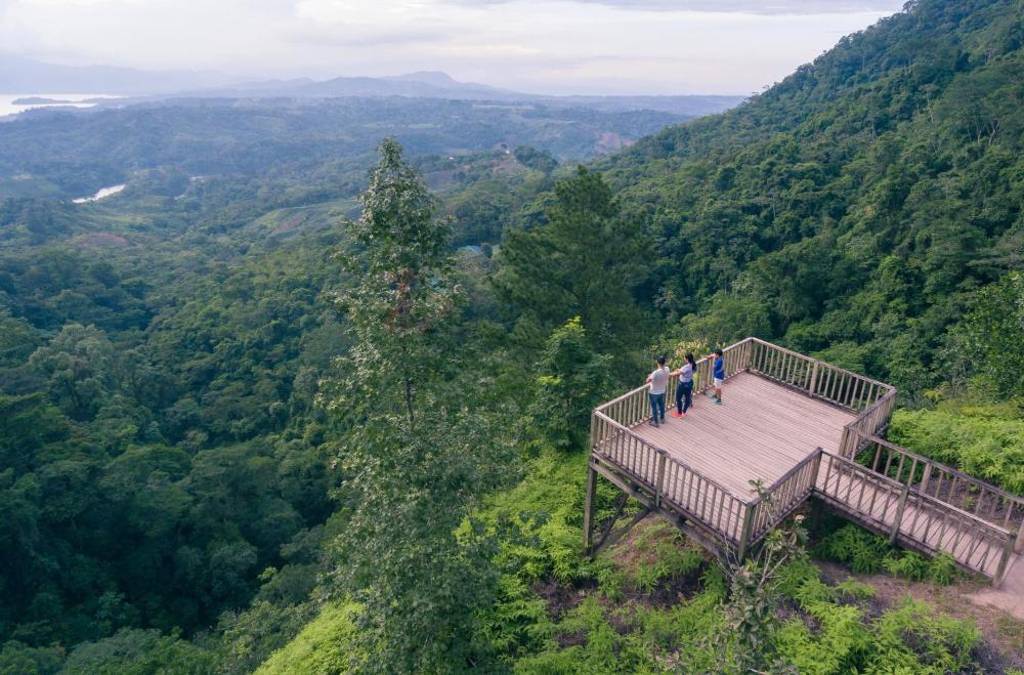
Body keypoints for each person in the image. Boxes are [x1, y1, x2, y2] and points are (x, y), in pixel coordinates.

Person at [646, 355, 669, 426]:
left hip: (653, 392)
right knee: (661, 405)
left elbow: (647, 380)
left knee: (654, 408)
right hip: (662, 390)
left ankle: (656, 422)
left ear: (657, 363)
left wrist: (649, 376)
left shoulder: (655, 372)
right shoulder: (667, 369)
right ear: (664, 362)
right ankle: (662, 418)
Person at [672, 352, 696, 418]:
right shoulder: (693, 364)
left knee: (678, 398)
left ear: (687, 359)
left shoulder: (687, 366)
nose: (684, 358)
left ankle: (680, 413)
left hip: (682, 384)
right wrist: (679, 370)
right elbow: (684, 372)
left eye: (684, 357)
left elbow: (678, 373)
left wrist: (668, 374)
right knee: (687, 398)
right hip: (689, 383)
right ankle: (684, 412)